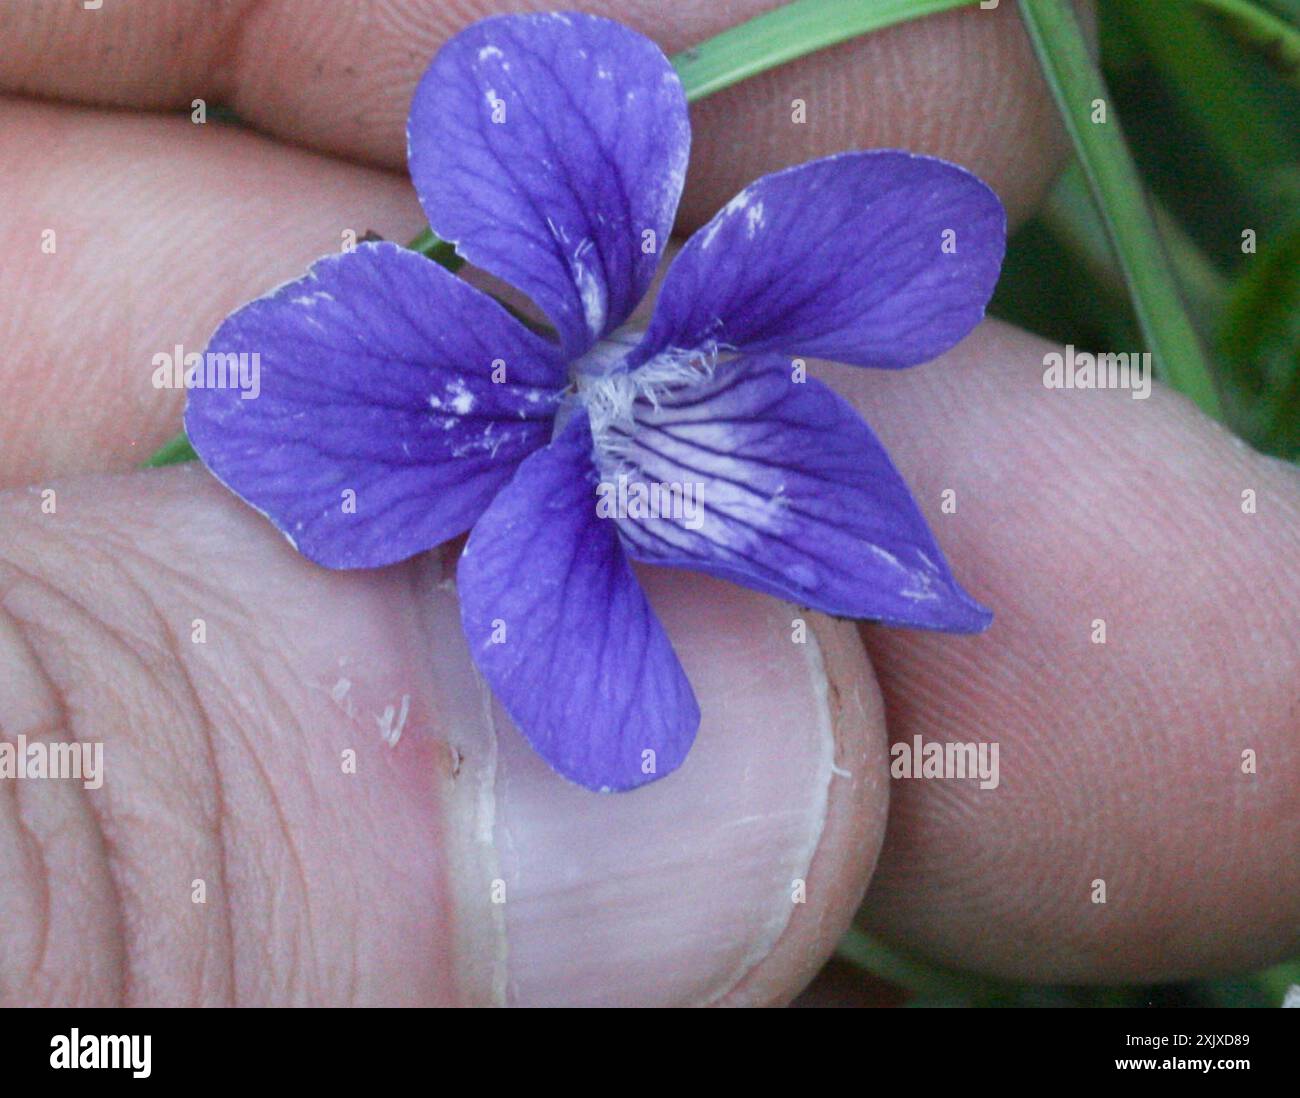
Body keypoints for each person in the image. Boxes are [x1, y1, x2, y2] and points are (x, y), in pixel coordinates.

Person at [0, 0, 1296, 1007]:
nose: (645, 428)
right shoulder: (471, 392)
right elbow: (279, 398)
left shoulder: (632, 355)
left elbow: (902, 248)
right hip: (522, 392)